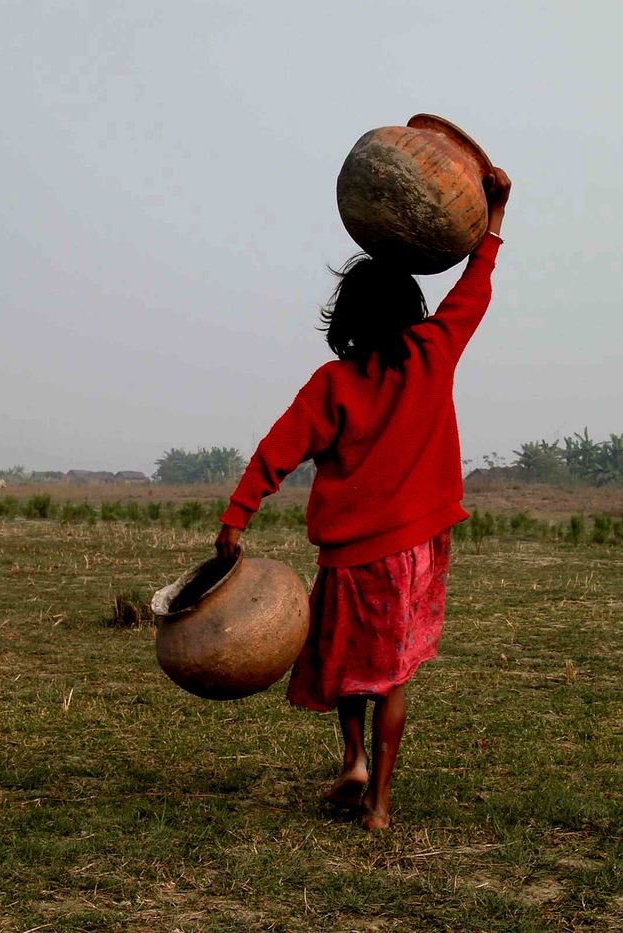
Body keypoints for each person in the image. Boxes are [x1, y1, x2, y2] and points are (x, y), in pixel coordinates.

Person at [216, 167, 511, 830]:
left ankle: (352, 759)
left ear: (345, 318)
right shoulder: (433, 353)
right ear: (412, 311)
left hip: (349, 560)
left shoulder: (332, 384)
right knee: (392, 676)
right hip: (413, 555)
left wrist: (237, 517)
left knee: (348, 663)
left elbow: (276, 450)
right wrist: (493, 219)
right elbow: (475, 289)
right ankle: (378, 801)